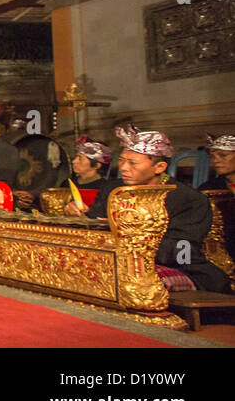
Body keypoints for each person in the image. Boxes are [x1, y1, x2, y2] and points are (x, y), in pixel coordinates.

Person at [72, 125, 230, 293]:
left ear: (159, 167)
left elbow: (183, 253)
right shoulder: (113, 189)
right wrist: (79, 213)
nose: (124, 168)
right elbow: (94, 221)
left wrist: (134, 236)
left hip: (177, 267)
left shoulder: (188, 199)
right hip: (113, 261)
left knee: (131, 281)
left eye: (132, 163)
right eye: (122, 161)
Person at [61, 136, 112, 215]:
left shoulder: (105, 187)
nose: (74, 161)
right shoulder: (67, 183)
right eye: (76, 157)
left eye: (80, 158)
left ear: (96, 166)